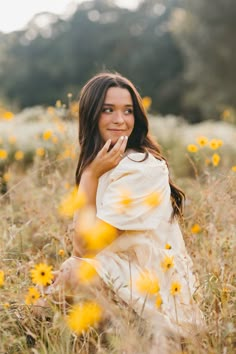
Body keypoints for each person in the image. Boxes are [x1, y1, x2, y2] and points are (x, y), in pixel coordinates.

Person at [47, 72, 204, 348]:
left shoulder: (141, 167)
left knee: (72, 273)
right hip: (121, 281)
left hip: (152, 293)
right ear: (91, 115)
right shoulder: (107, 162)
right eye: (108, 110)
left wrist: (89, 176)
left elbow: (84, 248)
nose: (120, 120)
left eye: (128, 111)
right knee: (51, 287)